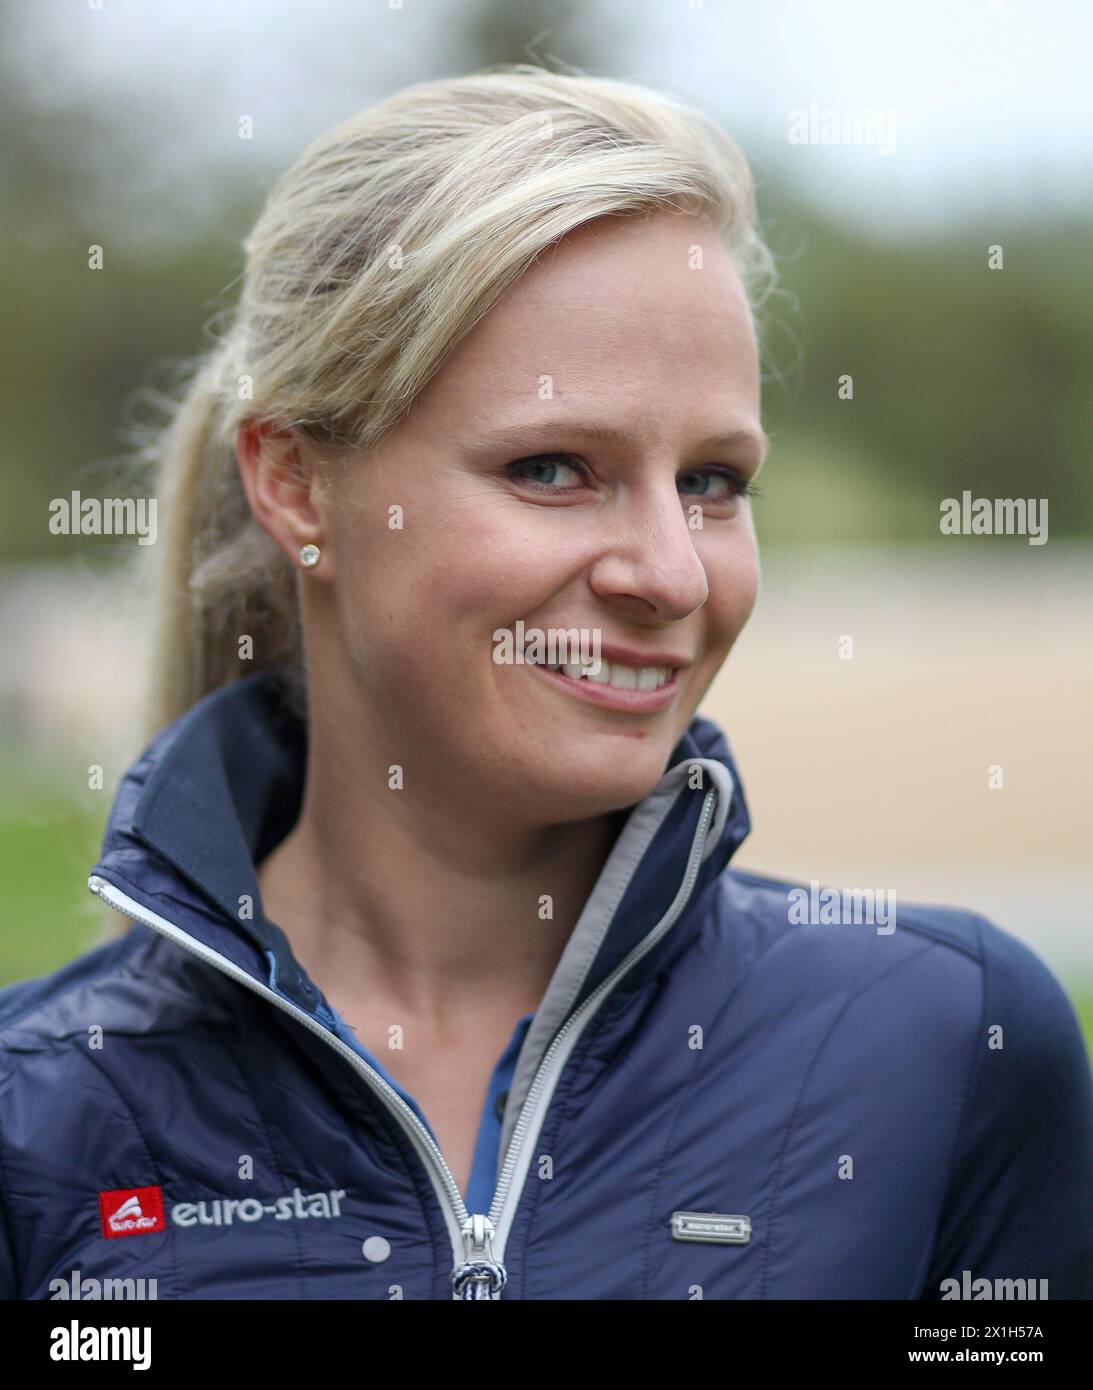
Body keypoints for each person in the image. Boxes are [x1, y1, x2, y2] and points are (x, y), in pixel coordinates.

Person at [1, 65, 1090, 1302]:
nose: (672, 573)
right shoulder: (37, 1119)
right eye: (556, 468)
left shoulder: (951, 1046)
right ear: (298, 483)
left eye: (714, 481)